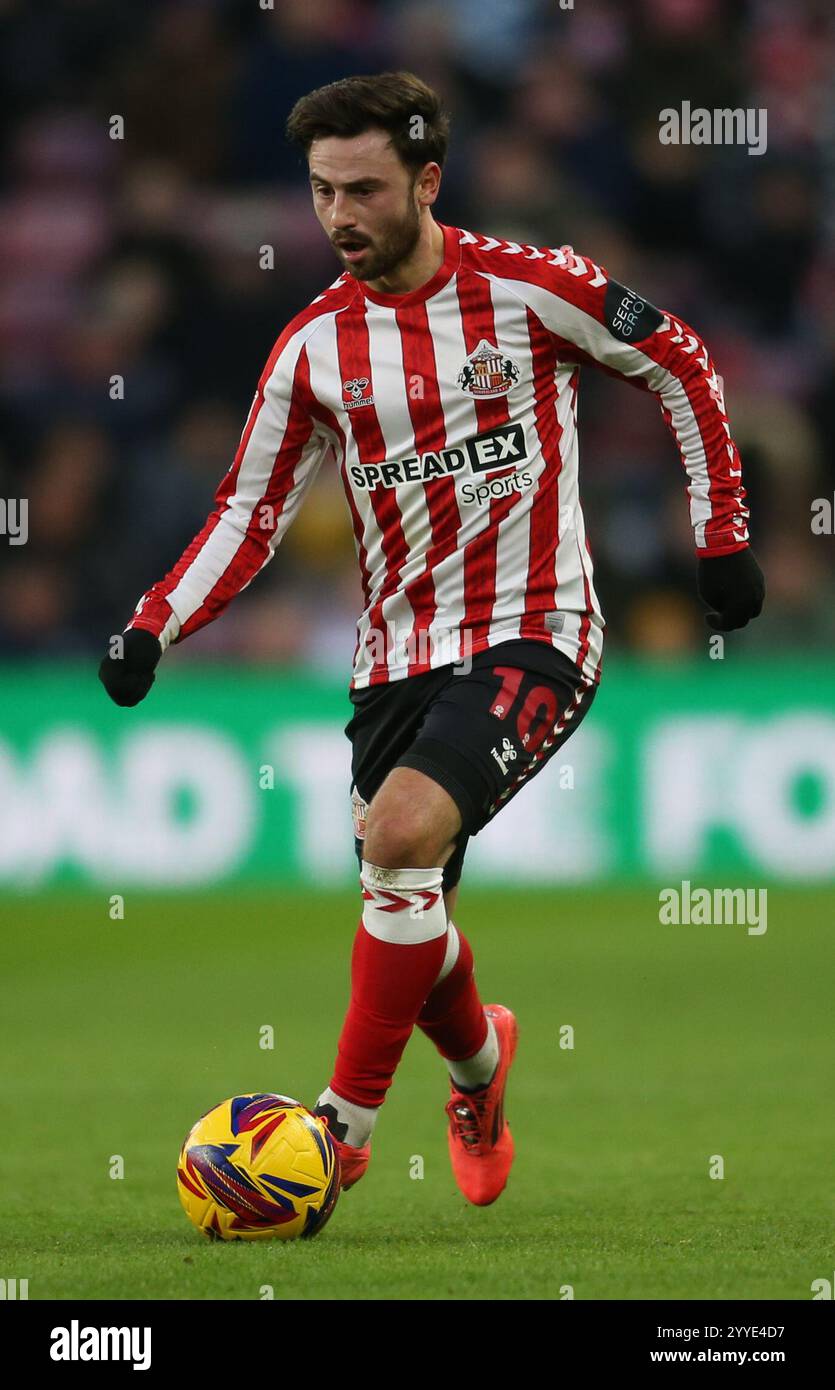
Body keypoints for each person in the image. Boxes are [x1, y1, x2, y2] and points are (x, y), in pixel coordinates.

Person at [99, 71, 764, 1207]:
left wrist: (719, 539)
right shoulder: (311, 349)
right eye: (319, 192)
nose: (339, 215)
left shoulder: (528, 287)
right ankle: (482, 1065)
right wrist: (154, 625)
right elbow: (247, 512)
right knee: (407, 895)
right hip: (395, 655)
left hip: (539, 626)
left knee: (398, 835)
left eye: (363, 188)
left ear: (427, 179)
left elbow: (682, 362)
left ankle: (338, 1136)